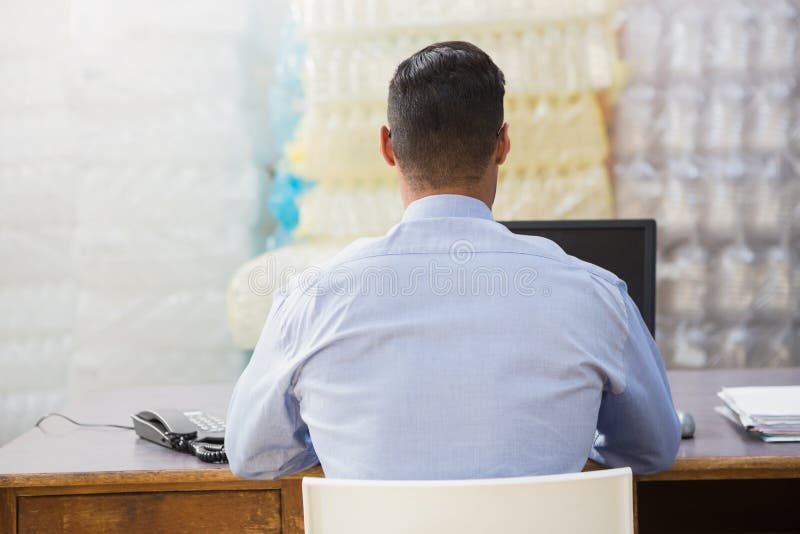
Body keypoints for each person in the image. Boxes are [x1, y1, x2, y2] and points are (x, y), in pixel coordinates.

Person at [226, 41, 681, 480]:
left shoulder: (313, 299)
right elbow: (653, 450)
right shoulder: (596, 296)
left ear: (387, 147)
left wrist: (336, 438)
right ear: (502, 145)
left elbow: (252, 456)